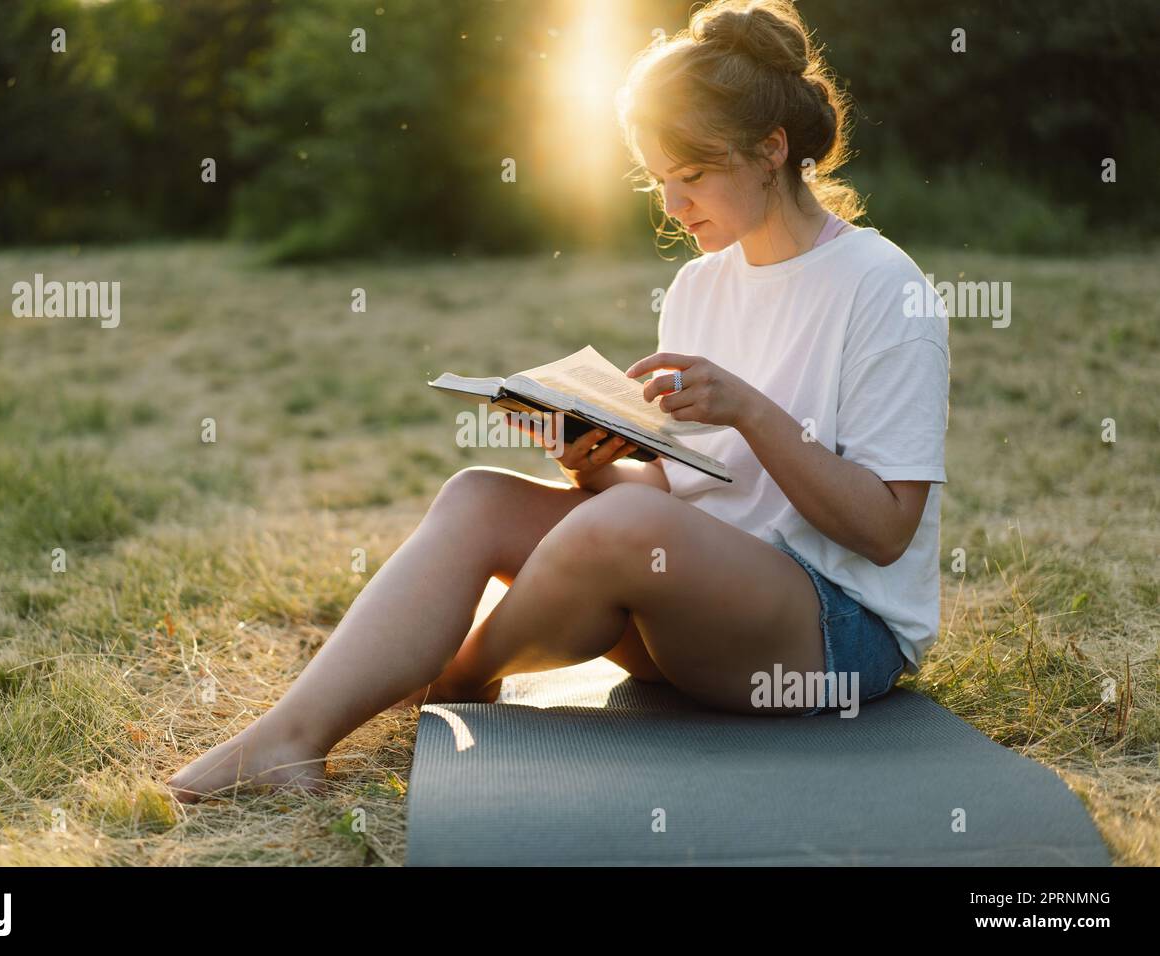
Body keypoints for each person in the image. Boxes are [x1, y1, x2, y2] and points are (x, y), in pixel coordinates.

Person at [167, 0, 949, 803]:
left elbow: (887, 531)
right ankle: (291, 738)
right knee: (477, 498)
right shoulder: (699, 284)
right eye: (657, 181)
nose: (674, 207)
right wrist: (595, 462)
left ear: (770, 151)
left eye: (692, 176)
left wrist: (750, 410)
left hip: (831, 641)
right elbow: (667, 504)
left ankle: (460, 678)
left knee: (626, 528)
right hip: (693, 613)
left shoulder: (882, 288)